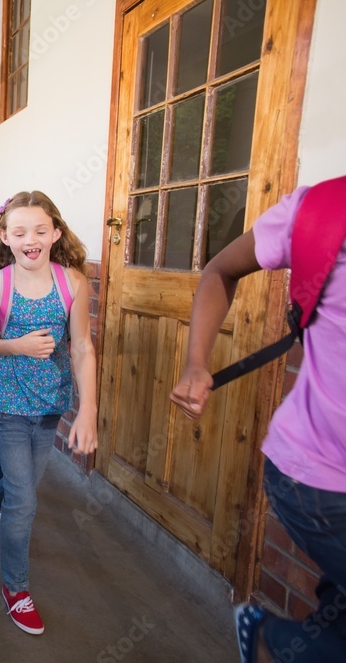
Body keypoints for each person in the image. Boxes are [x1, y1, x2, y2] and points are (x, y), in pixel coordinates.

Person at [170, 183, 346, 663]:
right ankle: (273, 640)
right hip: (320, 477)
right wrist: (196, 362)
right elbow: (220, 270)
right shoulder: (321, 211)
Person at [0, 191, 98, 636]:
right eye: (20, 231)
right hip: (8, 403)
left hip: (50, 406)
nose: (31, 239)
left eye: (40, 231)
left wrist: (88, 413)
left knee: (19, 486)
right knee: (25, 501)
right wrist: (17, 346)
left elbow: (81, 346)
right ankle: (16, 588)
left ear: (55, 233)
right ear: (4, 236)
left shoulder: (73, 283)